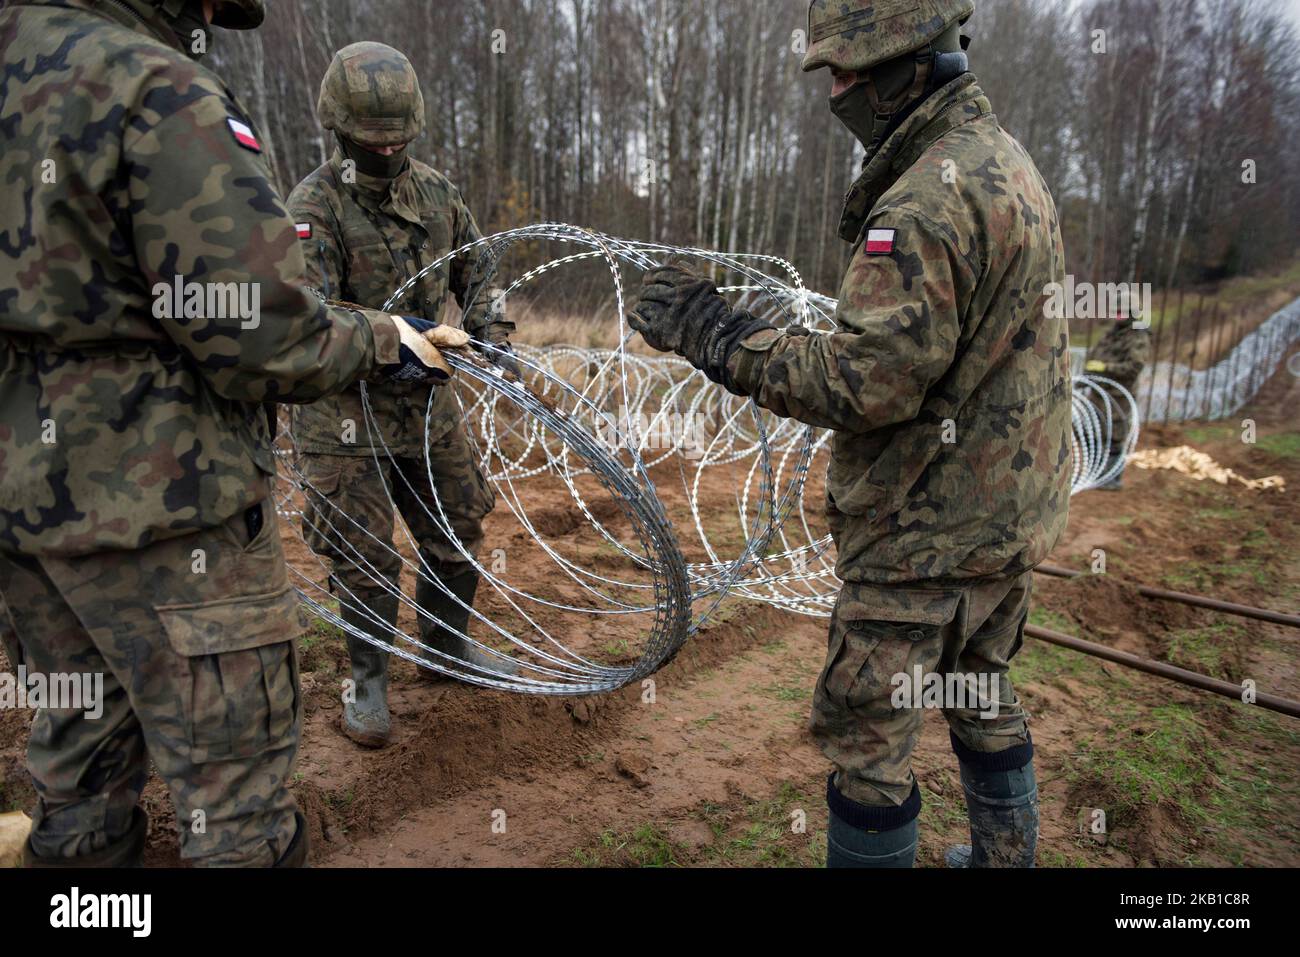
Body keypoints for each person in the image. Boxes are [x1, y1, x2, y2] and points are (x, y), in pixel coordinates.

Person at [0, 0, 463, 867]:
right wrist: (384, 338)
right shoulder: (154, 87)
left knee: (79, 790)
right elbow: (261, 331)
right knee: (235, 814)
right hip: (170, 513)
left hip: (26, 514)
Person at [628, 0, 1071, 868]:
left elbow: (863, 383)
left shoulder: (917, 207)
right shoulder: (1005, 163)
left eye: (845, 74)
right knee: (982, 688)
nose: (834, 91)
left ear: (906, 67)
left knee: (871, 748)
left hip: (922, 532)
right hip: (1008, 513)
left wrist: (713, 331)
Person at [288, 42, 520, 750]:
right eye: (372, 139)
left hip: (428, 408)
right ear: (339, 129)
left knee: (458, 529)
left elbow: (479, 274)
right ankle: (368, 680)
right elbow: (305, 320)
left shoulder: (438, 195)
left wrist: (494, 333)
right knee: (364, 556)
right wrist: (393, 335)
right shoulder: (311, 209)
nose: (388, 148)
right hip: (342, 414)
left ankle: (448, 647)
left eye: (399, 138)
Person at [1084, 316, 1151, 490]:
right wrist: (1086, 377)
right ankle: (1097, 474)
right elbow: (1094, 358)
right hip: (1098, 392)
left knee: (1115, 435)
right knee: (1095, 432)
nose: (1117, 314)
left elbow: (1134, 367)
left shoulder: (1137, 336)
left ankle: (1113, 478)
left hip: (1118, 396)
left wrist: (1106, 368)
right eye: (1116, 310)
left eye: (1122, 311)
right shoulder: (1110, 334)